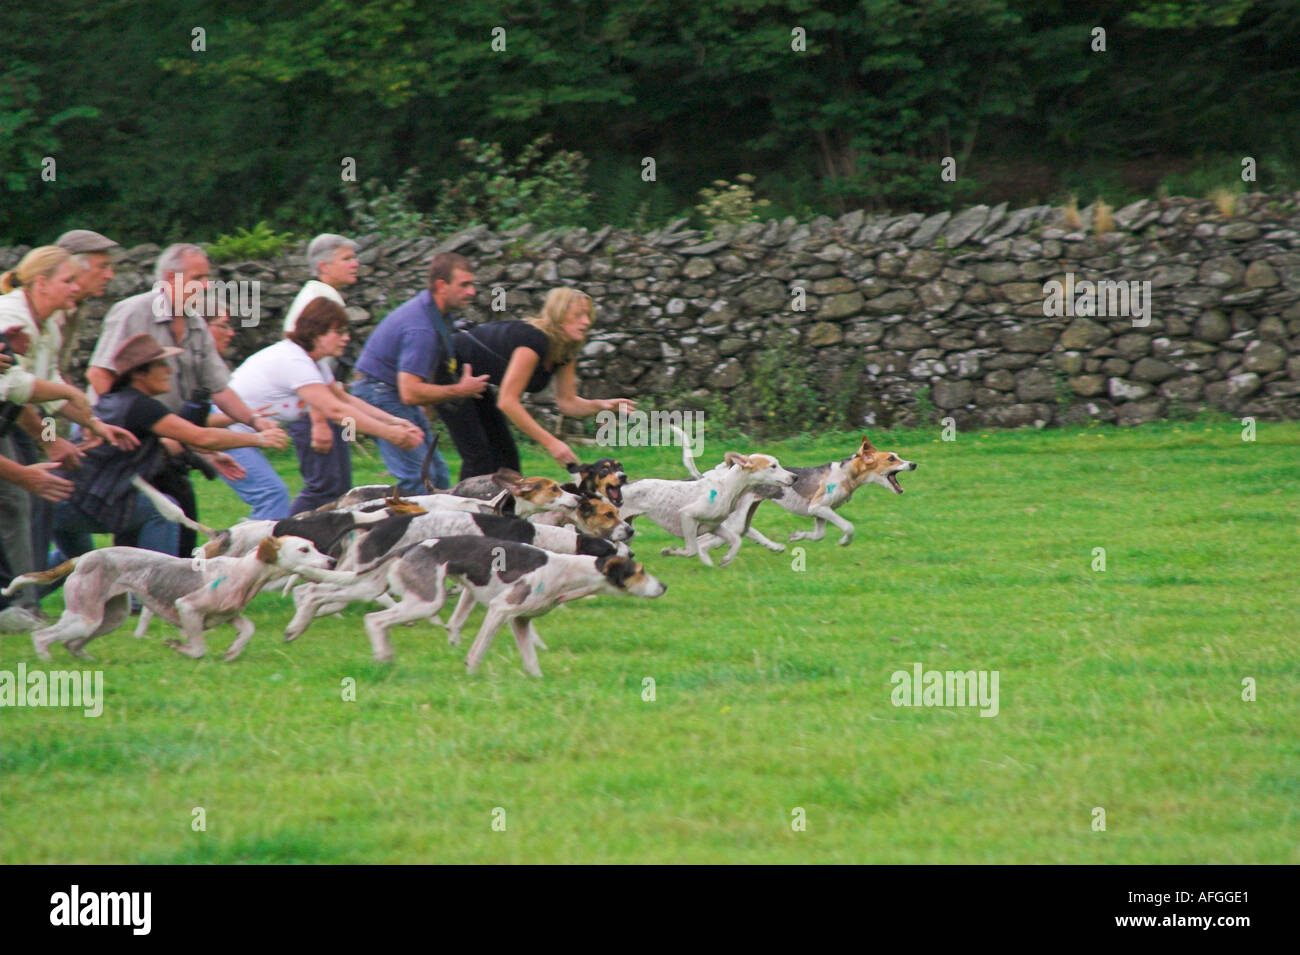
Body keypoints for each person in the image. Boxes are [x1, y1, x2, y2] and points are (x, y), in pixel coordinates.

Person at [86, 243, 281, 557]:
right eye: (197, 278)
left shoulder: (195, 324)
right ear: (169, 278)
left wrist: (255, 420)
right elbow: (99, 373)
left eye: (207, 278)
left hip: (169, 441)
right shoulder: (134, 311)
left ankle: (145, 595)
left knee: (176, 520)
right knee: (149, 521)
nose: (205, 286)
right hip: (129, 442)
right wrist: (116, 423)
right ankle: (135, 594)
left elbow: (220, 388)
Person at [52, 334, 289, 562]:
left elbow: (167, 445)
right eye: (162, 364)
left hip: (58, 494)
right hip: (78, 498)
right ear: (140, 373)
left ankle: (23, 599)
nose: (170, 370)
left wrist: (211, 456)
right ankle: (156, 592)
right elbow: (201, 436)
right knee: (163, 510)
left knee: (68, 562)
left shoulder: (118, 400)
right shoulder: (141, 406)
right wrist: (259, 439)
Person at [221, 299, 423, 518]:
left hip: (241, 433)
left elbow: (344, 399)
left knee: (314, 489)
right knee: (272, 495)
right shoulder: (295, 361)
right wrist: (391, 435)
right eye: (339, 332)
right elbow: (335, 411)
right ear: (316, 332)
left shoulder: (314, 363)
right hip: (225, 431)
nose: (346, 338)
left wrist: (393, 421)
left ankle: (284, 541)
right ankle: (259, 550)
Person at [438, 287, 635, 480]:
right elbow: (507, 402)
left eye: (588, 315)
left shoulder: (565, 351)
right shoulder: (534, 341)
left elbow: (567, 402)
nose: (586, 322)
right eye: (578, 315)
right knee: (479, 457)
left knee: (507, 458)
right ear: (558, 315)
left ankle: (503, 512)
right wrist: (551, 443)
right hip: (447, 367)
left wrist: (600, 405)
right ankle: (462, 510)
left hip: (475, 381)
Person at [352, 253, 489, 493]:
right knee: (417, 479)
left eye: (472, 284)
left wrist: (422, 414)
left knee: (438, 477)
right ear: (441, 286)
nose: (472, 292)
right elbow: (410, 392)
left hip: (391, 392)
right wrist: (460, 390)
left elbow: (421, 379)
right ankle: (392, 528)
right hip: (380, 393)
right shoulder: (421, 328)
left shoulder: (439, 314)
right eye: (464, 285)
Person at [282, 234, 359, 482]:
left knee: (338, 482)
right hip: (311, 408)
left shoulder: (321, 294)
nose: (355, 263)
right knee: (325, 486)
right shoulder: (320, 299)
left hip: (322, 401)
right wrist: (320, 423)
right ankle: (282, 523)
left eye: (354, 257)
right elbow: (307, 363)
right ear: (323, 266)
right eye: (347, 258)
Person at [52, 229, 119, 376]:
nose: (110, 275)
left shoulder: (75, 308)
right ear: (73, 268)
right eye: (102, 267)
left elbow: (56, 371)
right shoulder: (49, 309)